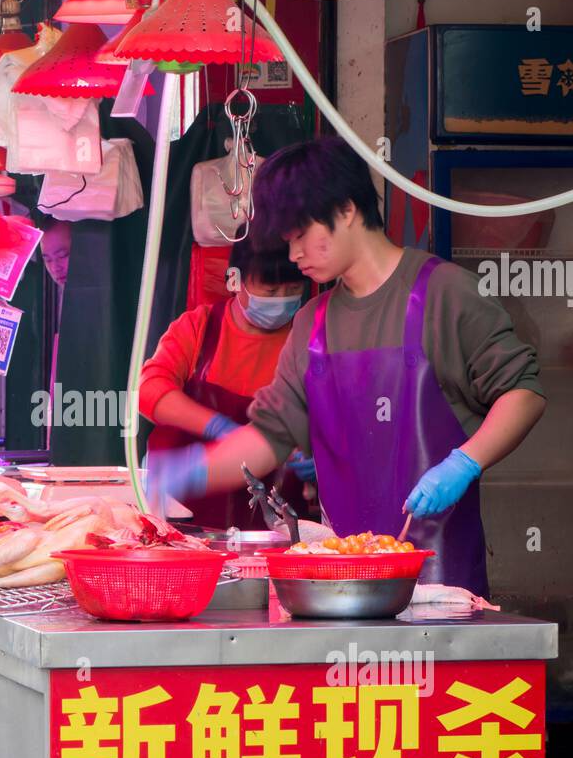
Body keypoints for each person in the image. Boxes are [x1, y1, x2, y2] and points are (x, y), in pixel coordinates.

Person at [148, 137, 546, 593]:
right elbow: (268, 439)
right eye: (287, 240)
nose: (293, 254)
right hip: (341, 579)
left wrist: (464, 462)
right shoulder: (310, 326)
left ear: (347, 210)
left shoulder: (445, 294)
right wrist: (187, 470)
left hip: (442, 585)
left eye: (300, 235)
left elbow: (524, 393)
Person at [141, 235, 308, 529]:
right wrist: (215, 426)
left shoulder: (308, 339)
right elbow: (148, 390)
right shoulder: (199, 327)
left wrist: (317, 455)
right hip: (186, 519)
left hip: (275, 527)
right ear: (235, 280)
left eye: (293, 289)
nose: (281, 299)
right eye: (269, 290)